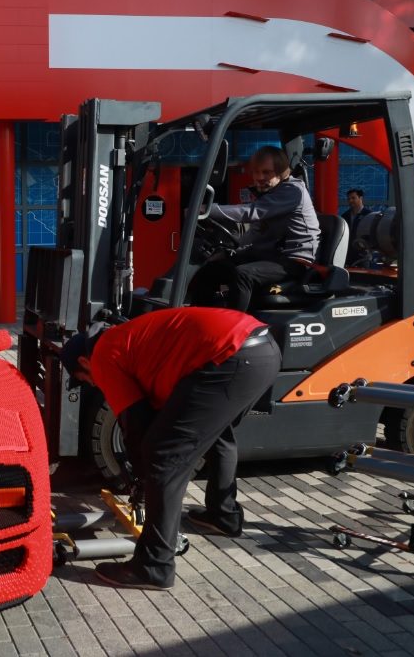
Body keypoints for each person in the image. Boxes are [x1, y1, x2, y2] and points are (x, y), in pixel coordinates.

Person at [59, 307, 281, 590]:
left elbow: (136, 424)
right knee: (217, 435)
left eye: (84, 378)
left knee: (163, 456)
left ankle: (154, 566)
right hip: (263, 348)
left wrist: (142, 479)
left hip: (231, 355)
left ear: (83, 361)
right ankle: (223, 516)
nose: (92, 383)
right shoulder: (126, 338)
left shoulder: (103, 354)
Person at [189, 146, 320, 311]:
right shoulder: (272, 194)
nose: (259, 177)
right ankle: (200, 316)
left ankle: (235, 324)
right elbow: (255, 232)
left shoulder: (293, 191)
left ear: (282, 172)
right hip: (271, 256)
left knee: (243, 274)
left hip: (294, 261)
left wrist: (206, 209)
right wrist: (231, 251)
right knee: (212, 269)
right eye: (256, 172)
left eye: (266, 172)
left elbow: (250, 212)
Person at [341, 188, 372, 265]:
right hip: (347, 253)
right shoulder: (345, 216)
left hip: (363, 254)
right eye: (348, 199)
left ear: (360, 198)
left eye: (353, 198)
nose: (350, 201)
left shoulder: (369, 215)